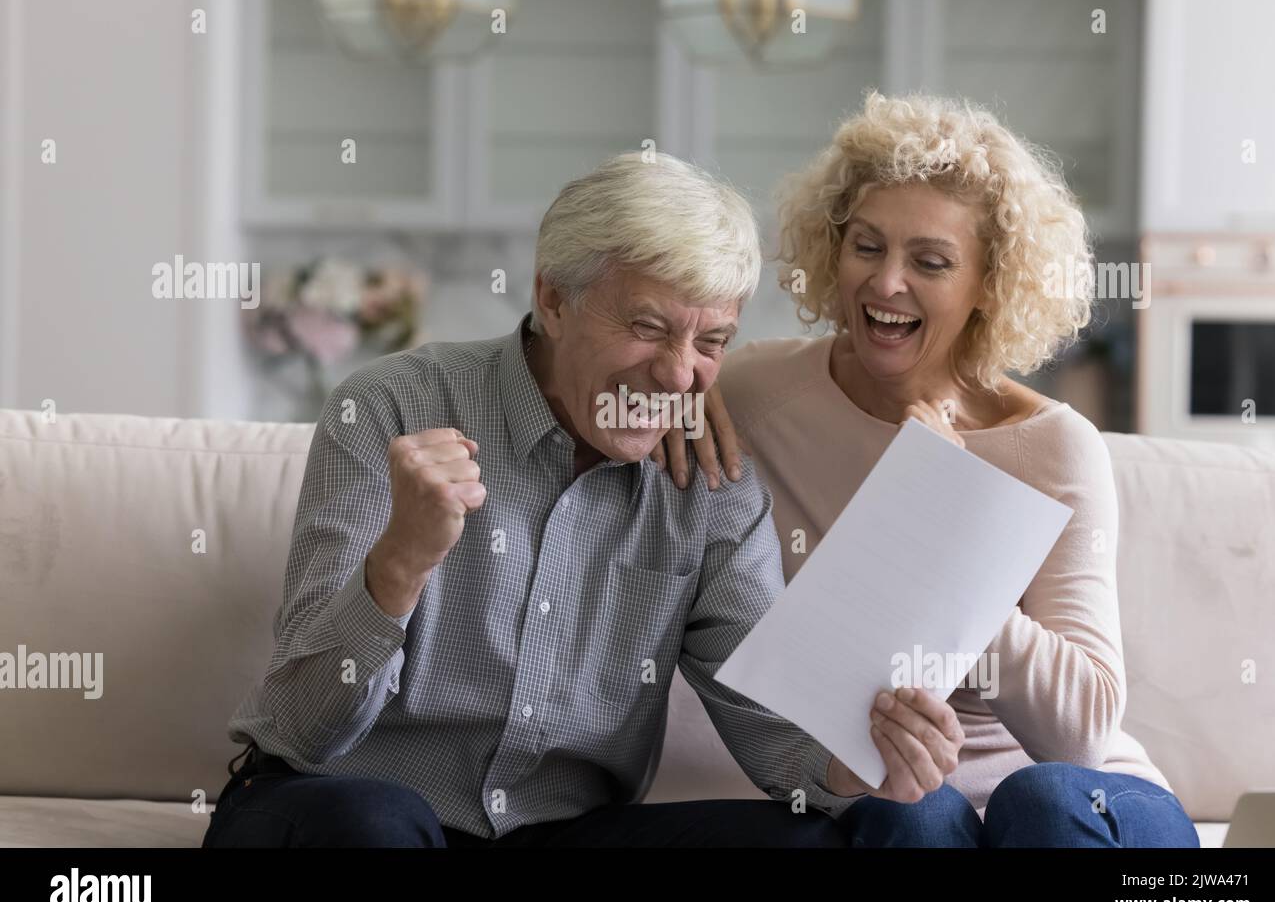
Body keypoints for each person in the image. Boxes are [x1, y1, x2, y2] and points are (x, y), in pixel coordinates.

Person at [202, 151, 912, 848]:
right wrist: (401, 562)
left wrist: (853, 757)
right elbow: (301, 726)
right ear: (553, 299)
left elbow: (770, 713)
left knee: (807, 842)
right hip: (337, 804)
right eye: (647, 327)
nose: (675, 373)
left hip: (562, 828)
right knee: (371, 827)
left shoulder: (708, 485)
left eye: (711, 341)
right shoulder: (391, 407)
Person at [652, 92, 1201, 847]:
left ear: (989, 286)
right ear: (833, 248)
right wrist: (679, 397)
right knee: (907, 808)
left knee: (1039, 803)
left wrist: (948, 514)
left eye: (930, 262)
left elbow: (1080, 734)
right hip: (893, 796)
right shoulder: (756, 395)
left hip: (1078, 800)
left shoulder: (1052, 444)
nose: (886, 284)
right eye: (867, 247)